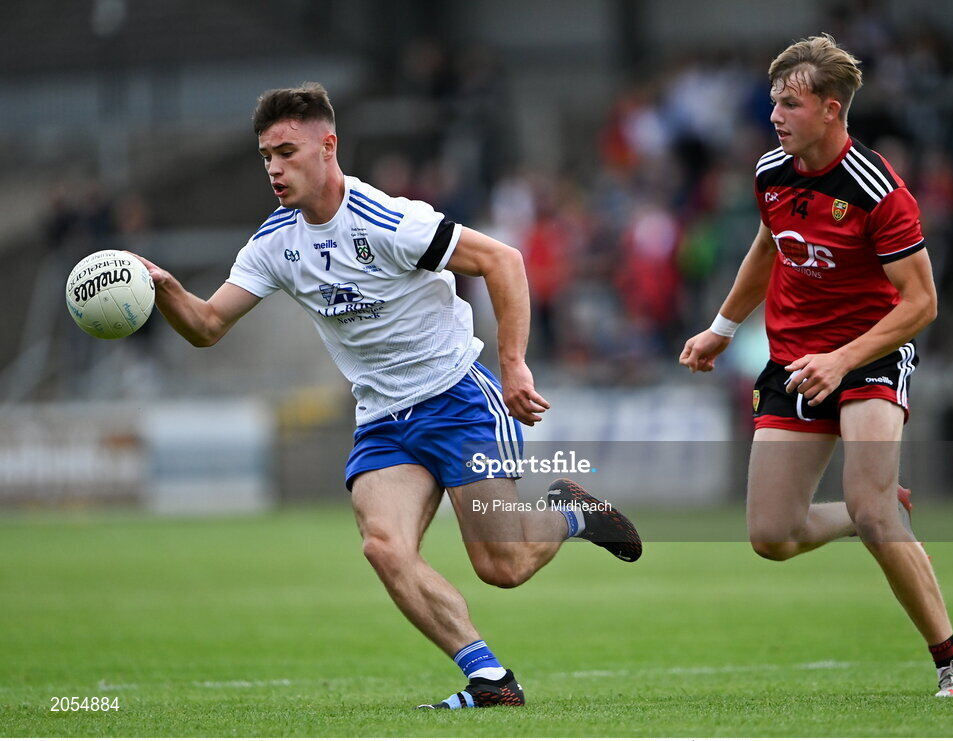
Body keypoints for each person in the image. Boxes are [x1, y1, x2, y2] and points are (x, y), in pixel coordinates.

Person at [135, 82, 641, 709]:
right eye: (265, 155)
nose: (273, 167)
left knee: (502, 566)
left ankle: (574, 513)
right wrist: (162, 289)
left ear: (329, 145)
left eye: (286, 152)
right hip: (382, 418)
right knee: (384, 547)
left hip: (455, 398)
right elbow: (208, 326)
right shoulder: (275, 243)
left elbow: (503, 260)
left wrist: (514, 367)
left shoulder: (388, 221)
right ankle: (490, 680)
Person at [678, 35, 953, 697]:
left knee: (874, 509)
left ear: (831, 109)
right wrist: (723, 327)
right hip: (793, 359)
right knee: (771, 535)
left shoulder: (878, 189)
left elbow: (922, 302)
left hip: (870, 353)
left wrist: (842, 357)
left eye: (790, 103)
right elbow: (767, 245)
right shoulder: (770, 172)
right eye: (772, 103)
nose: (776, 116)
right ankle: (865, 512)